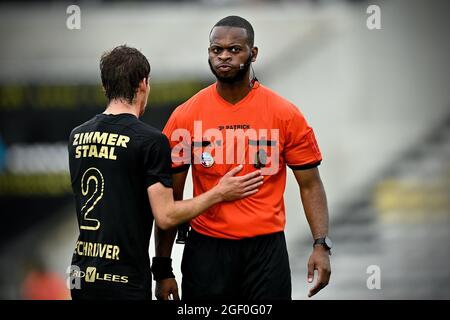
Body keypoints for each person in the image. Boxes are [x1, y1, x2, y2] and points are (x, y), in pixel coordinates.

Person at [67, 45, 263, 300]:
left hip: (80, 273)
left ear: (105, 87)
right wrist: (220, 193)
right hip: (122, 277)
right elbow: (167, 216)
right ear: (143, 84)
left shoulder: (77, 136)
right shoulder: (150, 141)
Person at [158, 16, 332, 300]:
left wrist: (321, 245)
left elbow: (310, 184)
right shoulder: (185, 116)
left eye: (234, 49)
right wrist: (163, 269)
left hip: (266, 251)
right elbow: (170, 199)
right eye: (216, 50)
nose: (224, 56)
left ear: (253, 53)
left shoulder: (285, 114)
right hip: (207, 251)